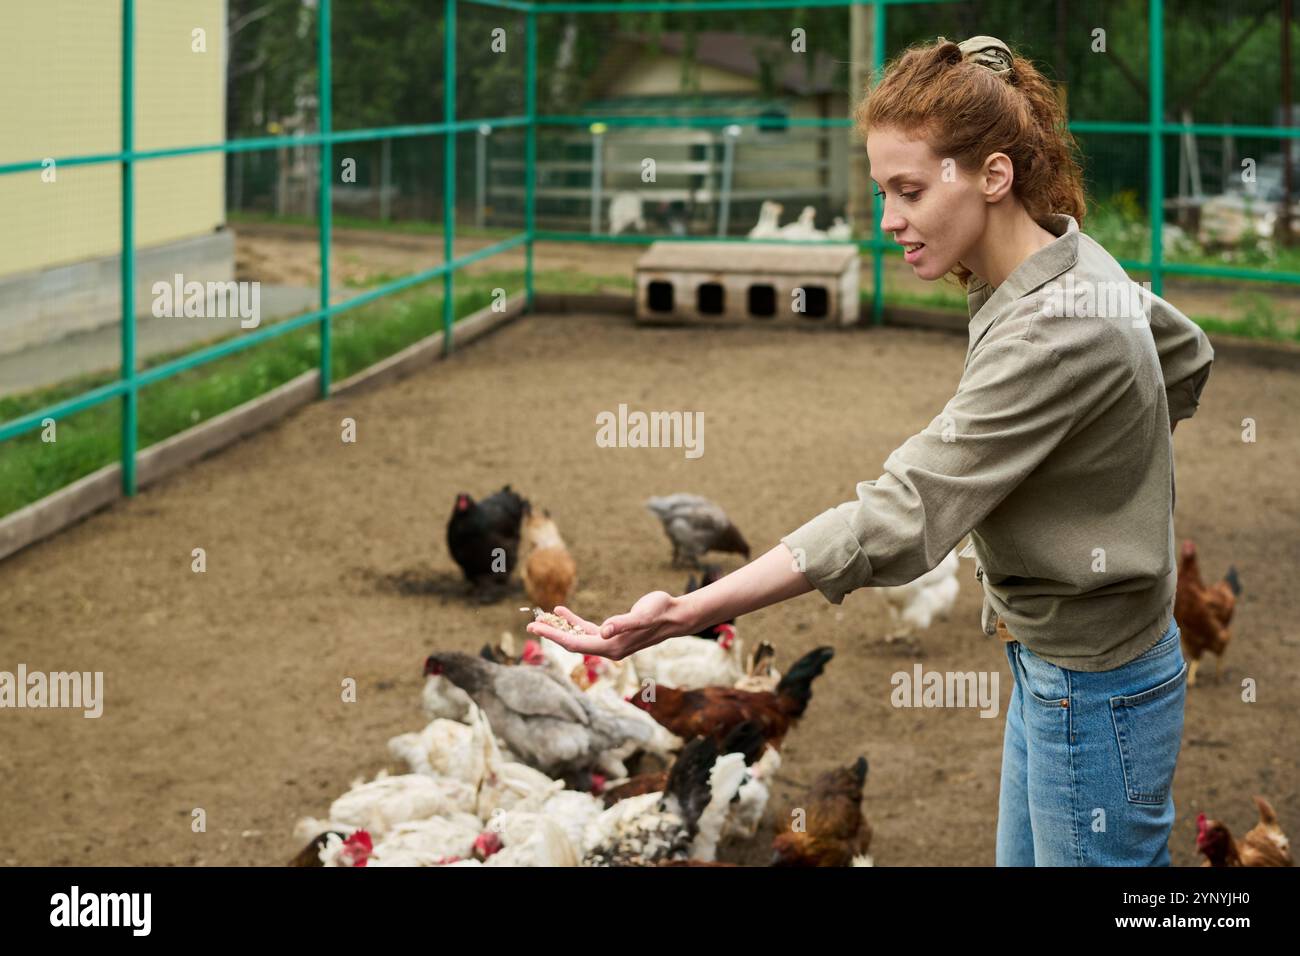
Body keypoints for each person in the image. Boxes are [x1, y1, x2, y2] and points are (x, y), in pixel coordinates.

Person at [527, 36, 1214, 866]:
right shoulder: (1066, 262)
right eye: (883, 190)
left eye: (909, 191)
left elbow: (900, 513)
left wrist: (690, 610)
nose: (888, 219)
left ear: (994, 176)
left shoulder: (1057, 329)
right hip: (1066, 667)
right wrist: (1100, 473)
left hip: (1094, 691)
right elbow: (1186, 353)